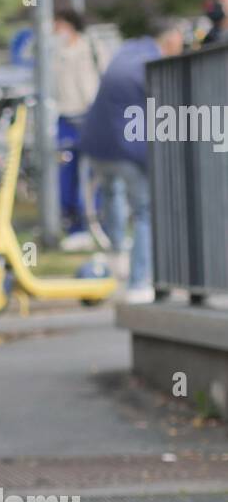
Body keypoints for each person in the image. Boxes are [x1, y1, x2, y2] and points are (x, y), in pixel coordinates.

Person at [78, 17, 185, 304]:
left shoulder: (127, 51)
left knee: (112, 191)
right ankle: (138, 283)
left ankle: (117, 255)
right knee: (145, 211)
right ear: (172, 38)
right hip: (124, 147)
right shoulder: (152, 64)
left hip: (95, 144)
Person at [52, 7, 100, 248]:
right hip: (65, 118)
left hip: (91, 116)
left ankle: (96, 224)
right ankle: (74, 227)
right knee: (66, 174)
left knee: (95, 175)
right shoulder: (54, 52)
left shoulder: (91, 48)